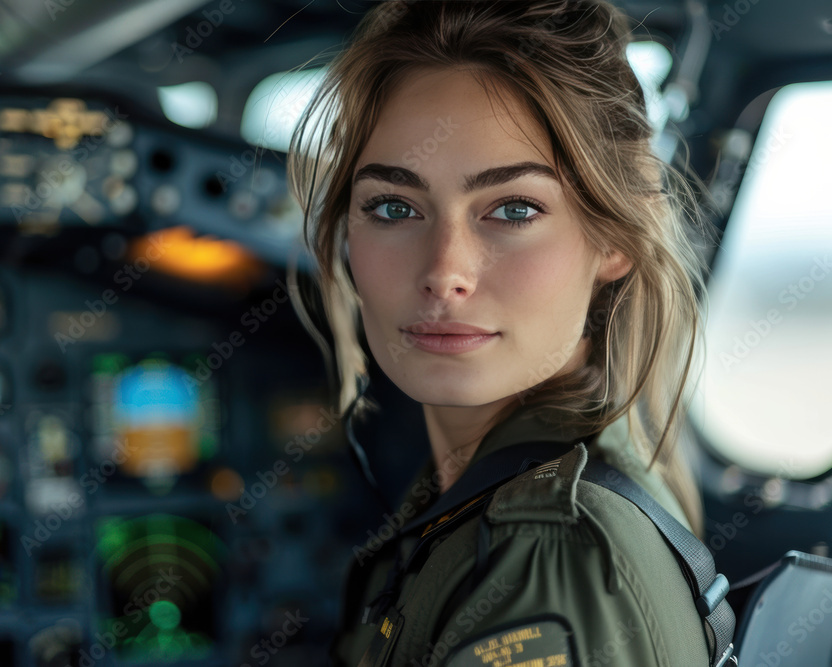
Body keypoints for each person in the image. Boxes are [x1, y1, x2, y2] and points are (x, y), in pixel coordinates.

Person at [285, 1, 719, 665]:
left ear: (613, 240)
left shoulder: (551, 552)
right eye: (394, 207)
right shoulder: (476, 495)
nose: (444, 272)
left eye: (513, 209)